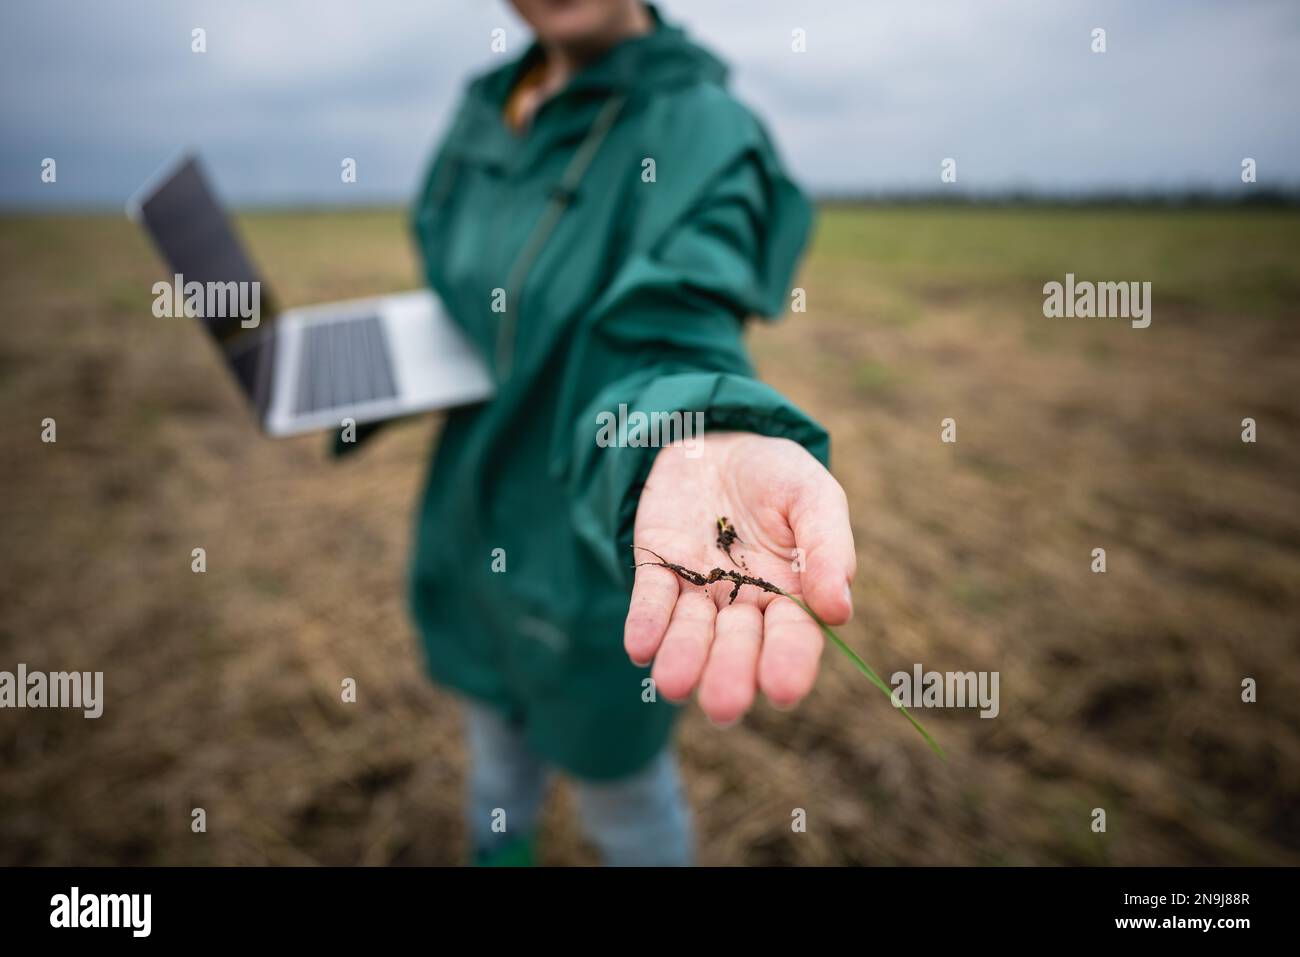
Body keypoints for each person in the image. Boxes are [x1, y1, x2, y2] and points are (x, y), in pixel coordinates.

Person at [342, 0, 856, 865]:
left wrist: (706, 426)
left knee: (625, 799)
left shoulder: (701, 127)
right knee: (496, 768)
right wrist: (370, 364)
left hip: (594, 552)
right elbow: (467, 290)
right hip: (467, 516)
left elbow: (672, 324)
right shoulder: (485, 108)